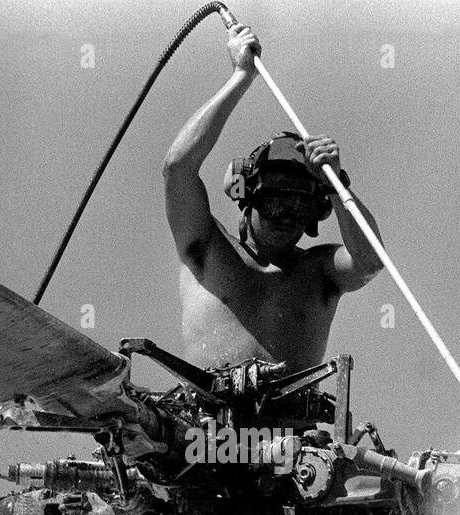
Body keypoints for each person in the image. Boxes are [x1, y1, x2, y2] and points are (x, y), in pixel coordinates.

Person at [162, 22, 385, 372]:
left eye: (300, 206)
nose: (286, 216)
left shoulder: (318, 272)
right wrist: (240, 77)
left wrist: (336, 183)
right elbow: (178, 168)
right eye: (276, 200)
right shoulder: (207, 247)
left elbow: (370, 261)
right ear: (247, 194)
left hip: (291, 427)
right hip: (204, 425)